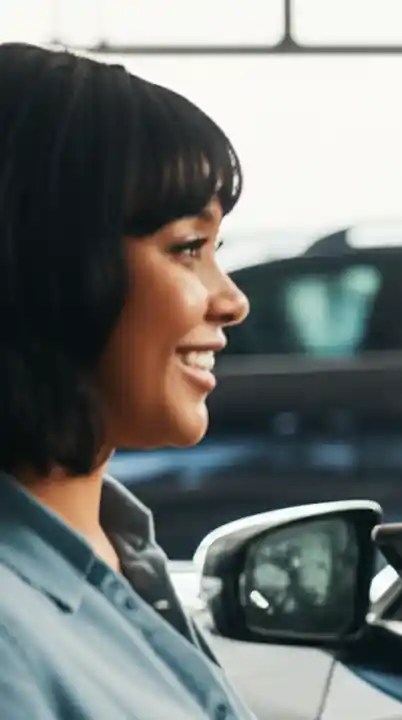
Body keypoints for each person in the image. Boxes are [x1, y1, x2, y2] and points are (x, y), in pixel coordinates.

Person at [0, 43, 256, 719]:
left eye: (216, 250)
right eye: (188, 248)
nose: (232, 300)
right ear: (47, 266)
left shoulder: (119, 557)